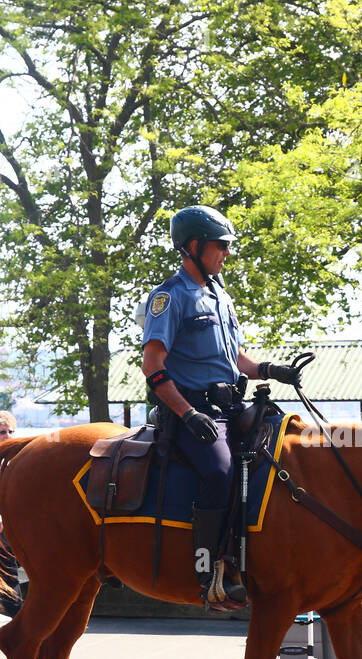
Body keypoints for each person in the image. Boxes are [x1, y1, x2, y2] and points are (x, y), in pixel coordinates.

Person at [141, 204, 301, 609]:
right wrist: (188, 414)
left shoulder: (220, 296)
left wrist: (271, 369)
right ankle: (210, 571)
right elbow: (153, 365)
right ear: (193, 246)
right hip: (194, 414)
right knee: (220, 471)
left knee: (290, 446)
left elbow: (238, 360)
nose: (226, 253)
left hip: (233, 407)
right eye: (221, 246)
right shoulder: (168, 297)